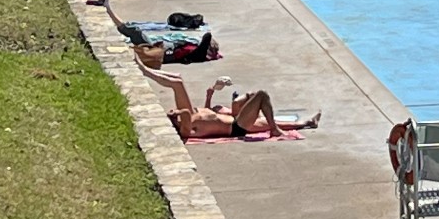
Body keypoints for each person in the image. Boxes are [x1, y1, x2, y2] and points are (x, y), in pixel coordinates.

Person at [137, 63, 319, 139]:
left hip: (233, 117)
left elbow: (208, 114)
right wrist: (178, 114)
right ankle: (277, 129)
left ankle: (145, 70)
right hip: (237, 126)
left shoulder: (192, 115)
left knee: (177, 80)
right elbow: (186, 116)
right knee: (262, 96)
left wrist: (210, 94)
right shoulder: (188, 128)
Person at [94, 0, 218, 63]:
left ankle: (108, 9)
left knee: (134, 31)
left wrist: (208, 39)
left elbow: (205, 41)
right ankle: (108, 9)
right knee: (133, 31)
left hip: (158, 50)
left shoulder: (197, 53)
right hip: (157, 46)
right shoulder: (193, 48)